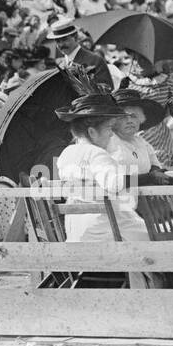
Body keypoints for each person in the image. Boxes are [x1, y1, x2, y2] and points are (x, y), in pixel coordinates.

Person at [53, 92, 149, 242]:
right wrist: (147, 178)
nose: (112, 135)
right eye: (109, 128)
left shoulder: (66, 154)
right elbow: (114, 183)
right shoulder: (97, 154)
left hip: (75, 226)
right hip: (103, 223)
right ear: (92, 132)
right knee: (151, 238)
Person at [47, 17, 114, 90]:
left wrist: (83, 76)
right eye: (57, 41)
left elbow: (108, 89)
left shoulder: (95, 60)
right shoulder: (61, 65)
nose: (61, 45)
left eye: (64, 40)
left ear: (75, 37)